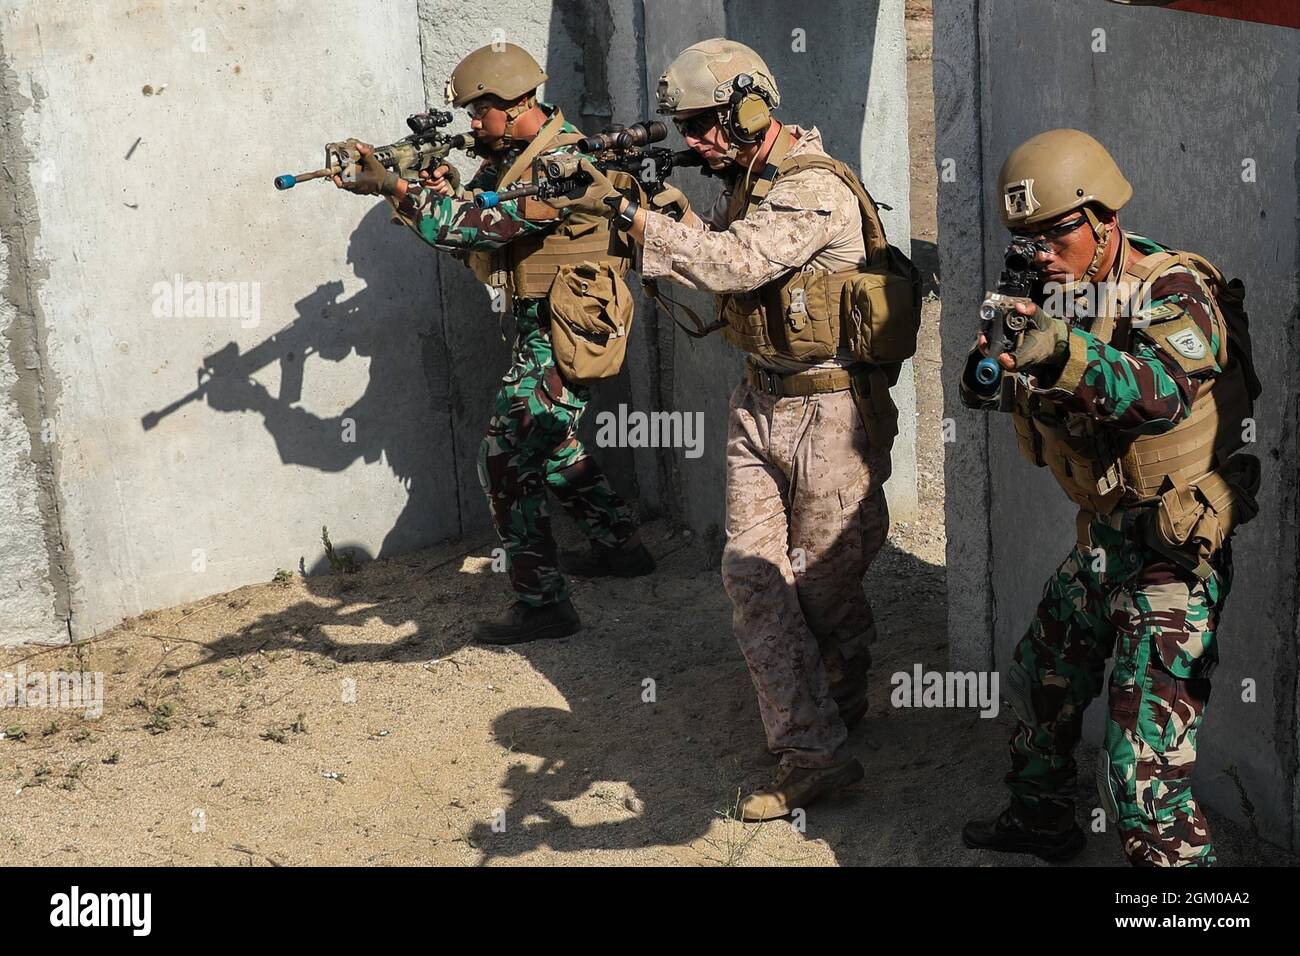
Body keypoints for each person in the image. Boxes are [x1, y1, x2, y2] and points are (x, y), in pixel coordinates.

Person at [541, 38, 920, 821]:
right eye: (687, 128)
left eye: (706, 126)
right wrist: (635, 216)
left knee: (822, 587)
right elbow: (702, 258)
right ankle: (809, 751)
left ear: (752, 107)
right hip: (759, 403)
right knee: (751, 574)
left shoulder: (813, 189)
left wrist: (638, 218)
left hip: (832, 412)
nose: (695, 144)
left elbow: (736, 266)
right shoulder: (748, 180)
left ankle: (841, 678)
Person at [959, 129, 1261, 866]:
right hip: (1103, 545)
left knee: (1139, 777)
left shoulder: (1173, 288)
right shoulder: (1053, 293)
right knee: (1043, 680)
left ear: (1103, 219)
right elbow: (998, 394)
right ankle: (1041, 821)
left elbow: (1158, 393)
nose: (1041, 253)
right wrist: (994, 363)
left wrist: (1056, 350)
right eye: (1024, 238)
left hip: (1172, 556)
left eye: (1055, 234)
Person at [335, 42, 653, 645]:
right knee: (549, 442)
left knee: (505, 457)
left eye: (481, 111)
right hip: (545, 322)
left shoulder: (564, 163)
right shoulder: (512, 156)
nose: (473, 124)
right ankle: (620, 547)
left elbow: (482, 225)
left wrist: (397, 190)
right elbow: (467, 237)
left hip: (568, 327)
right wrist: (434, 189)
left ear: (520, 102)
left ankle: (543, 605)